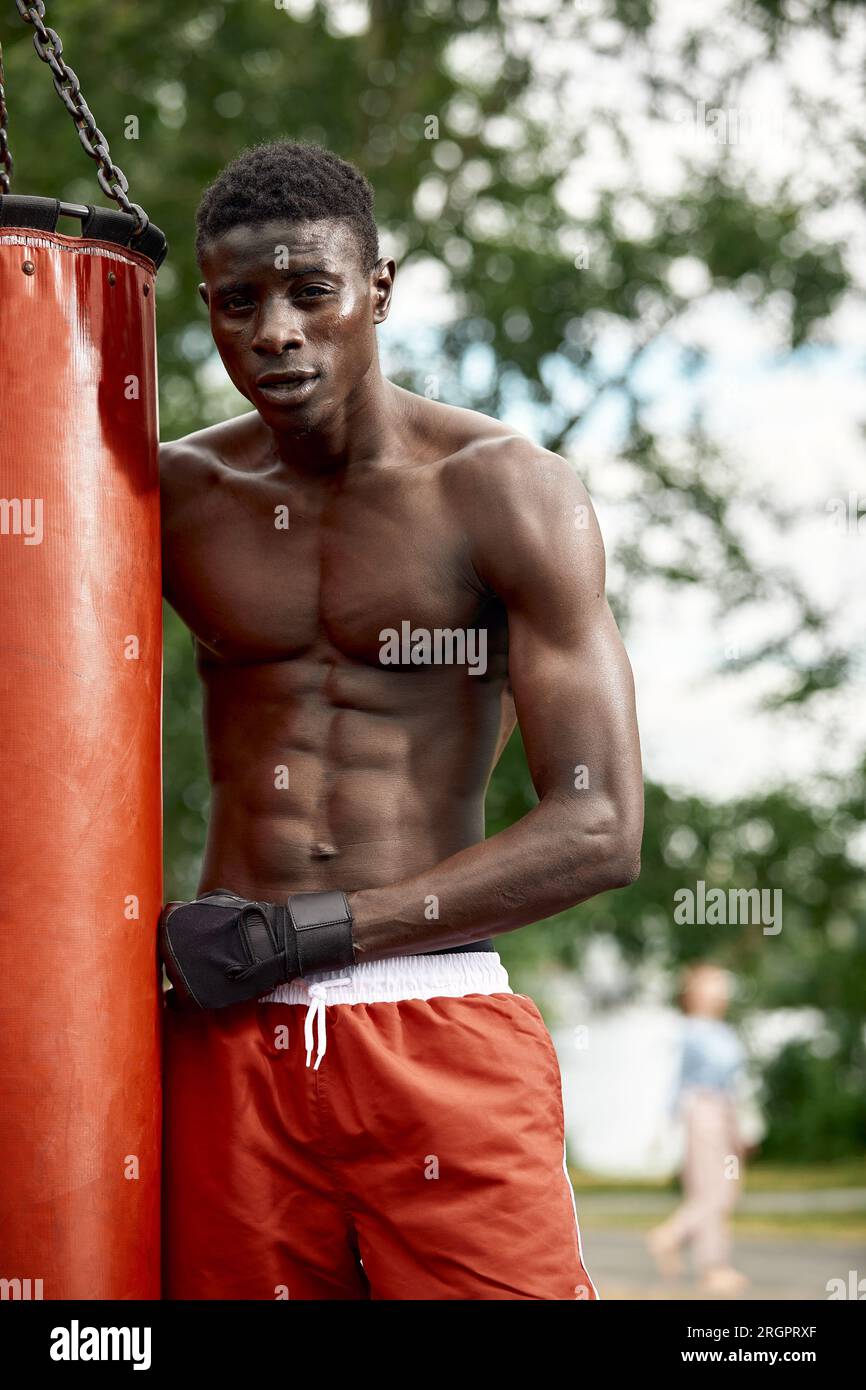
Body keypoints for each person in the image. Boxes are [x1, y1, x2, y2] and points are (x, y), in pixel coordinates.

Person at [159, 139, 644, 1301]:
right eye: (239, 303)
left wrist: (299, 935)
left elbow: (599, 828)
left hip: (431, 1016)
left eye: (308, 293)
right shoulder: (165, 496)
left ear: (378, 289)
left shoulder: (503, 488)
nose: (273, 332)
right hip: (226, 1044)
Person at [647, 964, 750, 1296]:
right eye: (712, 984)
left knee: (728, 1188)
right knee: (711, 1190)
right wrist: (666, 1124)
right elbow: (677, 1080)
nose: (721, 990)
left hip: (726, 1110)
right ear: (694, 993)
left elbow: (736, 1084)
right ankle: (696, 1255)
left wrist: (742, 1128)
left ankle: (694, 1251)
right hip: (701, 1110)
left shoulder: (724, 1031)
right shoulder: (690, 1031)